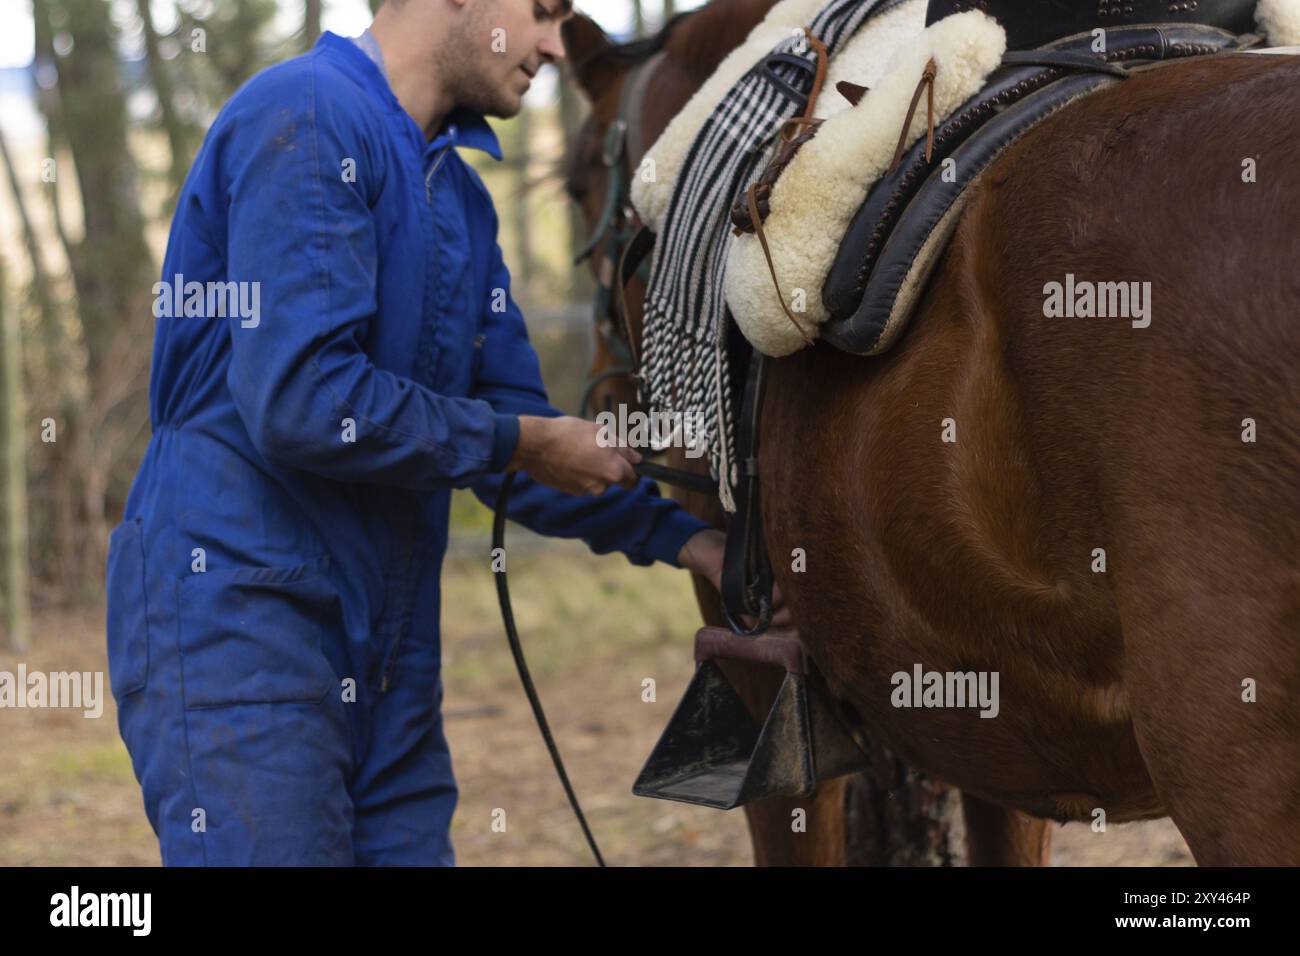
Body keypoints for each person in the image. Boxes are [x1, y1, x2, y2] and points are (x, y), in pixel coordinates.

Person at [104, 0, 785, 866]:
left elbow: (518, 434)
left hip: (390, 646)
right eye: (542, 11)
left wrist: (691, 543)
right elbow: (305, 398)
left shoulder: (459, 200)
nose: (551, 45)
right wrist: (521, 443)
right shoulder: (306, 118)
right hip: (241, 620)